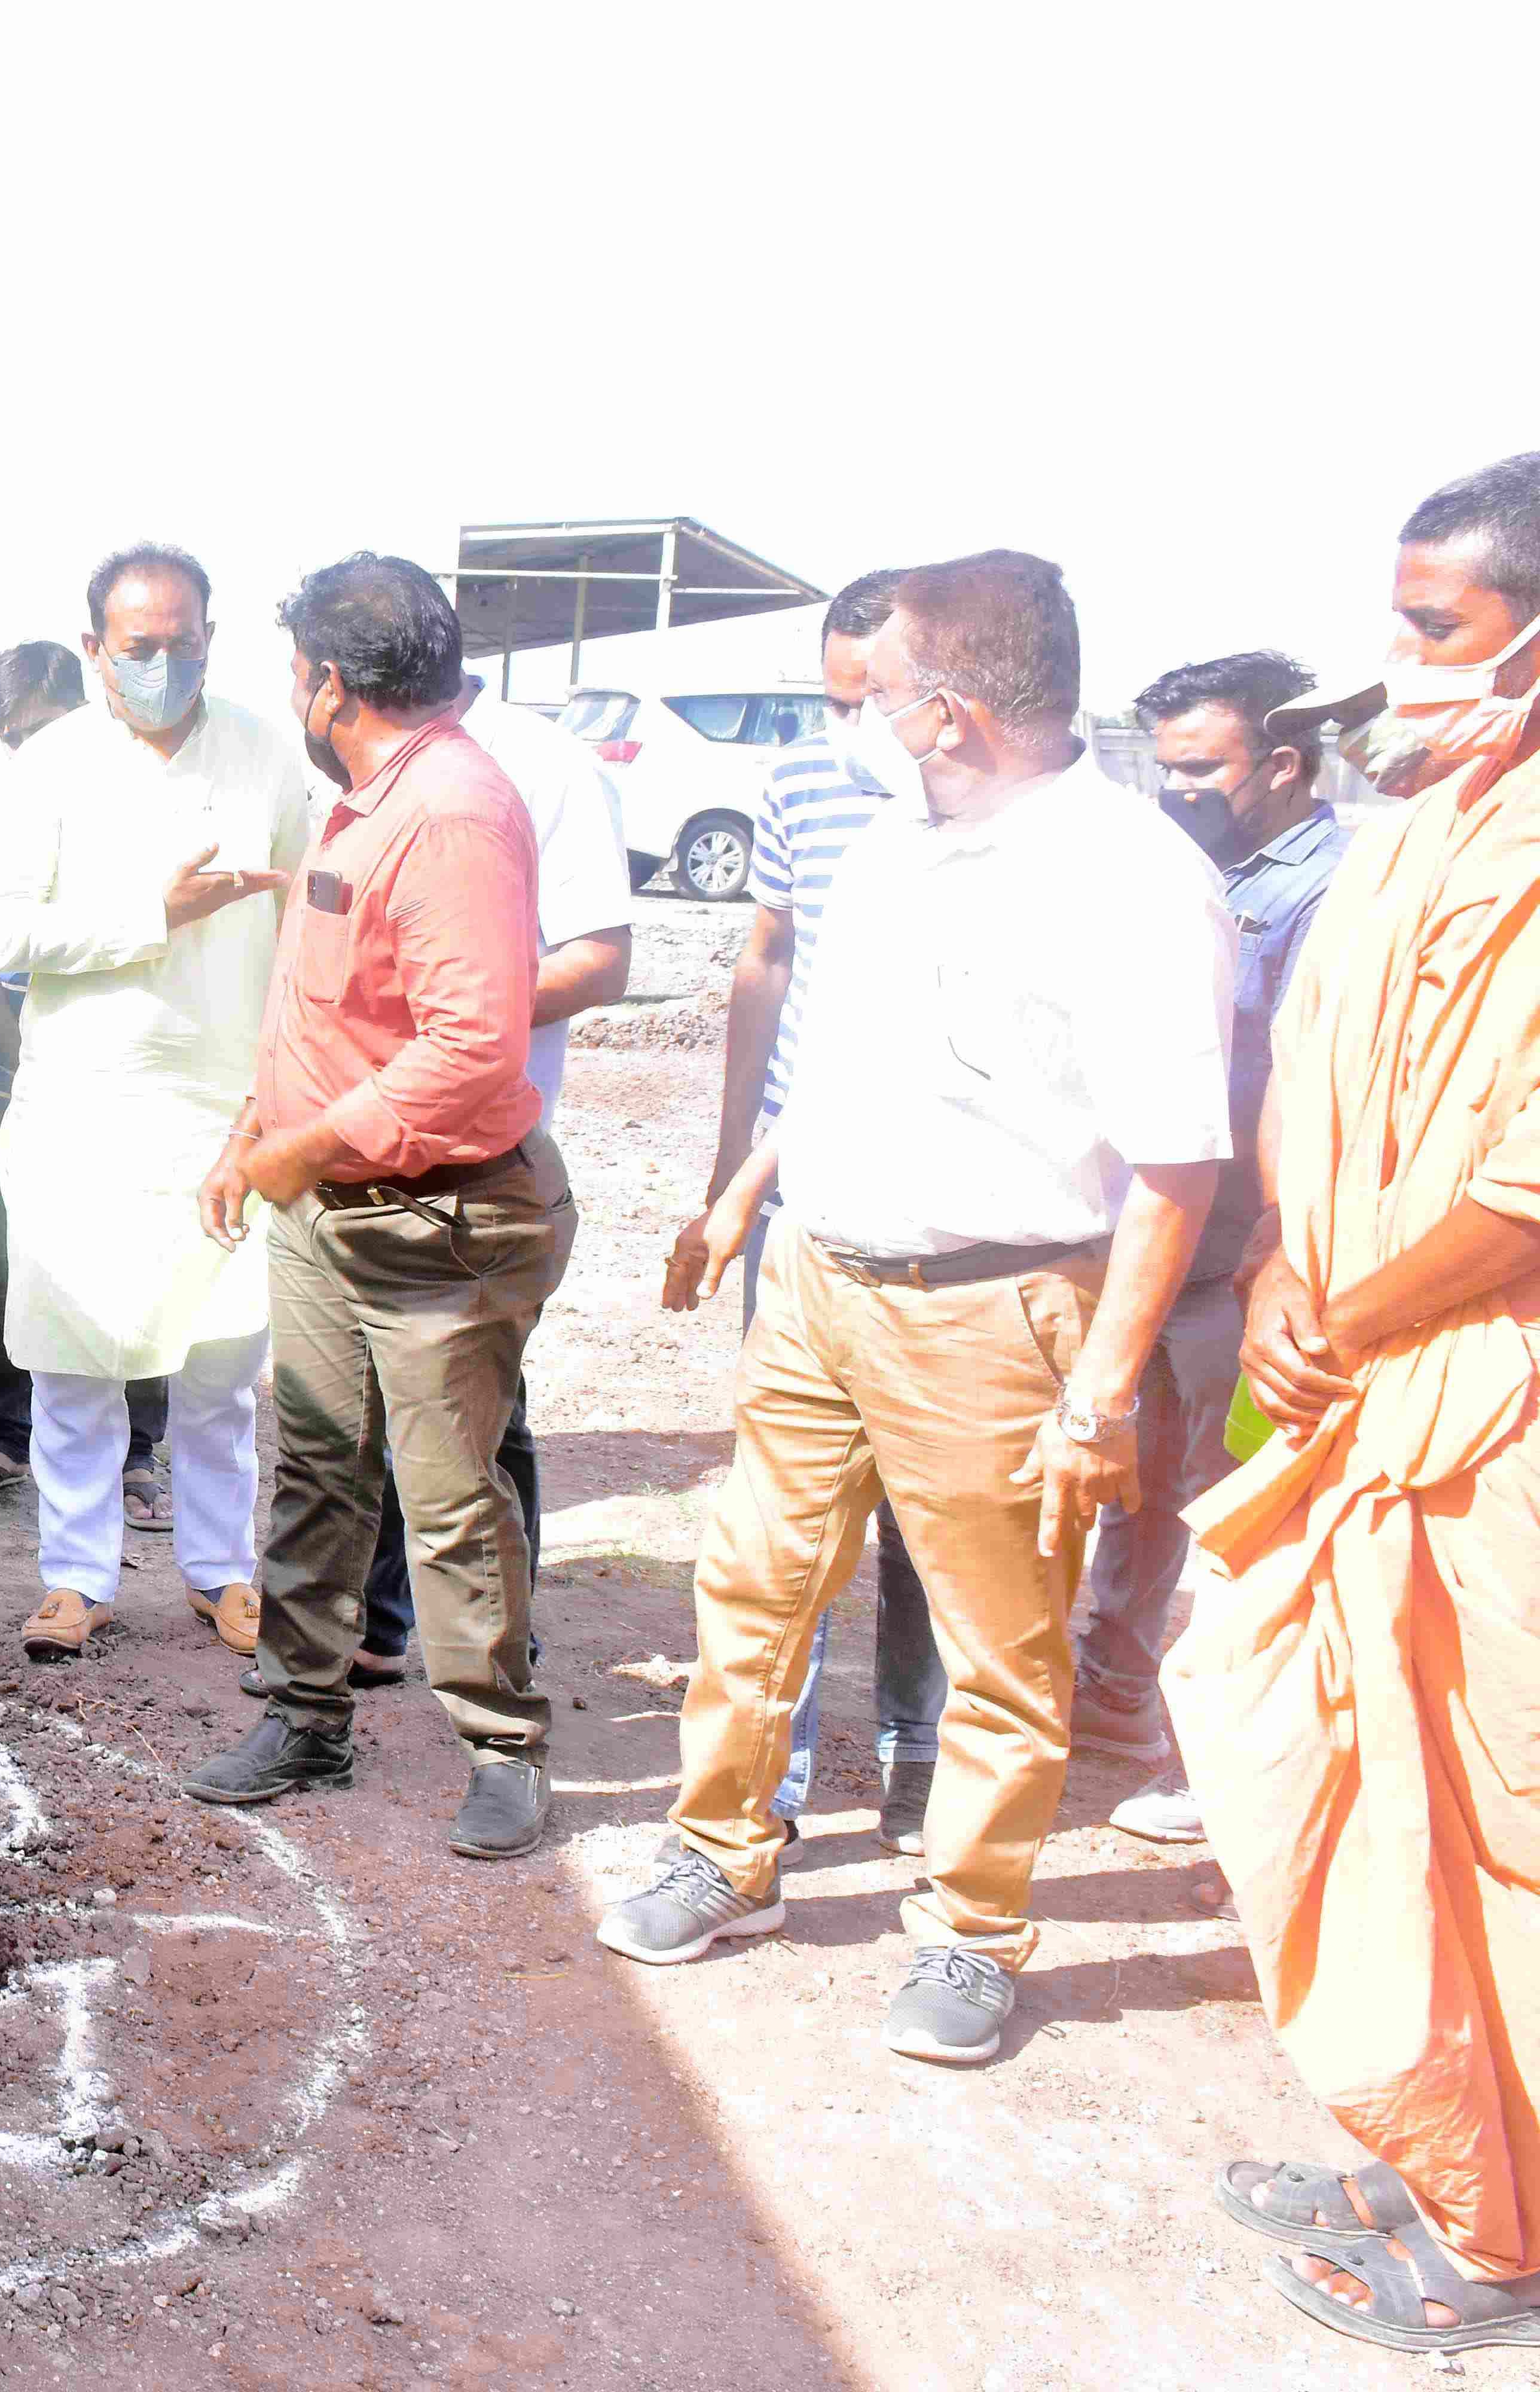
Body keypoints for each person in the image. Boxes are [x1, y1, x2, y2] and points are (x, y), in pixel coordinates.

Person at [615, 551, 1233, 2072]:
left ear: (949, 709)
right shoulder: (894, 841)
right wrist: (748, 1191)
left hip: (994, 1311)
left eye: (881, 693)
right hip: (823, 1284)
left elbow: (1174, 1166)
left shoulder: (1136, 881)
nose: (862, 721)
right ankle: (725, 1854)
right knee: (755, 1582)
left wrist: (1096, 1387)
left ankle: (969, 1925)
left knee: (997, 1638)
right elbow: (834, 1065)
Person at [1182, 453, 1540, 2356]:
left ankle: (1501, 2244)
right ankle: (1440, 2143)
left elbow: (1519, 1185)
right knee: (1357, 1774)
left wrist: (1347, 1315)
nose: (1400, 668)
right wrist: (1281, 1285)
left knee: (1503, 1823)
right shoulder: (1434, 810)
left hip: (1484, 1412)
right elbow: (1333, 1089)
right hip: (1354, 1371)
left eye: (1438, 632)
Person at [190, 556, 573, 1860]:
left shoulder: (450, 812)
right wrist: (259, 1137)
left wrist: (306, 1147)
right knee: (314, 1459)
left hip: (438, 1219)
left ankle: (503, 1744)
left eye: (293, 665)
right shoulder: (365, 800)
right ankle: (306, 1712)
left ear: (329, 681)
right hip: (333, 1203)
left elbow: (474, 1043)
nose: (288, 686)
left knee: (448, 1489)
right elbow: (325, 1008)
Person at [0, 544, 313, 1663]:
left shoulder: (269, 759)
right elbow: (7, 936)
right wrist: (150, 914)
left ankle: (221, 1573)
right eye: (139, 647)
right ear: (93, 650)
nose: (165, 663)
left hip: (224, 1109)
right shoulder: (50, 766)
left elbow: (307, 933)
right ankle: (77, 1580)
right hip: (84, 1103)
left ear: (214, 639)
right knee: (76, 1356)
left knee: (221, 1361)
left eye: (183, 642)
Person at [667, 571, 951, 1851]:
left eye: (875, 699)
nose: (854, 729)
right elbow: (771, 962)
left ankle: (917, 1741)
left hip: (941, 1210)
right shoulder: (797, 786)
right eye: (837, 700)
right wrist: (733, 1164)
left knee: (922, 1499)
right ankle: (771, 1780)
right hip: (796, 1184)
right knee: (790, 1496)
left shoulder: (980, 820)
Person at [1074, 651, 1342, 1845]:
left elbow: (1316, 1081)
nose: (1176, 790)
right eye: (1163, 767)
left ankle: (1206, 1753)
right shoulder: (1172, 874)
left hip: (1251, 1252)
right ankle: (1110, 1697)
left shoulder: (1335, 889)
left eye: (1201, 767)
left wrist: (1285, 1243)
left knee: (1231, 1505)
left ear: (1281, 763)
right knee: (1133, 1479)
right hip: (1153, 1233)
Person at [334, 671, 631, 1697]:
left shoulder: (538, 764)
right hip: (356, 1144)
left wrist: (454, 1014)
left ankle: (503, 1647)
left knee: (478, 1415)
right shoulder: (347, 763)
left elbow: (600, 958)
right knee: (360, 1399)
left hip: (478, 1158)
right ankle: (376, 1624)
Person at [0, 643, 172, 1517]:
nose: (28, 749)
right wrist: (25, 1054)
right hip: (18, 1079)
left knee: (137, 1266)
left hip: (130, 1083)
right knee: (1, 1263)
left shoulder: (151, 814)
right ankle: (7, 1436)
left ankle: (137, 1450)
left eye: (41, 728)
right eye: (11, 736)